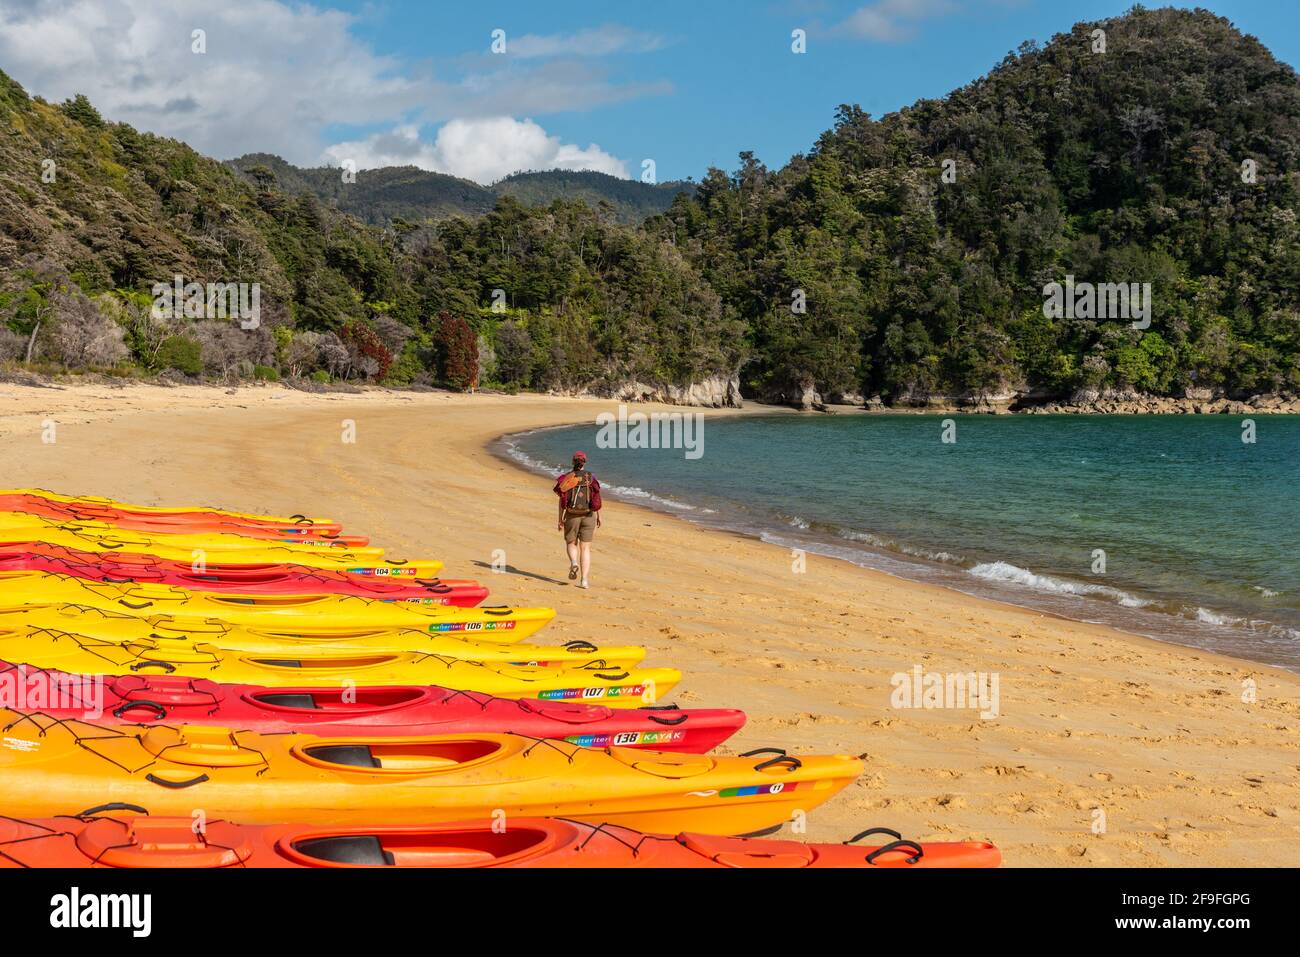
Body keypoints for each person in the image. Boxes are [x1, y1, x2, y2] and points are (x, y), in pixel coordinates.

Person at [554, 450, 602, 589]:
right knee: (585, 548)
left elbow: (562, 499)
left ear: (573, 462)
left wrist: (560, 518)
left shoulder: (566, 478)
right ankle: (584, 581)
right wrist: (598, 516)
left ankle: (574, 562)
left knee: (571, 542)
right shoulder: (591, 478)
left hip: (572, 515)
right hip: (589, 515)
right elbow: (596, 497)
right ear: (585, 462)